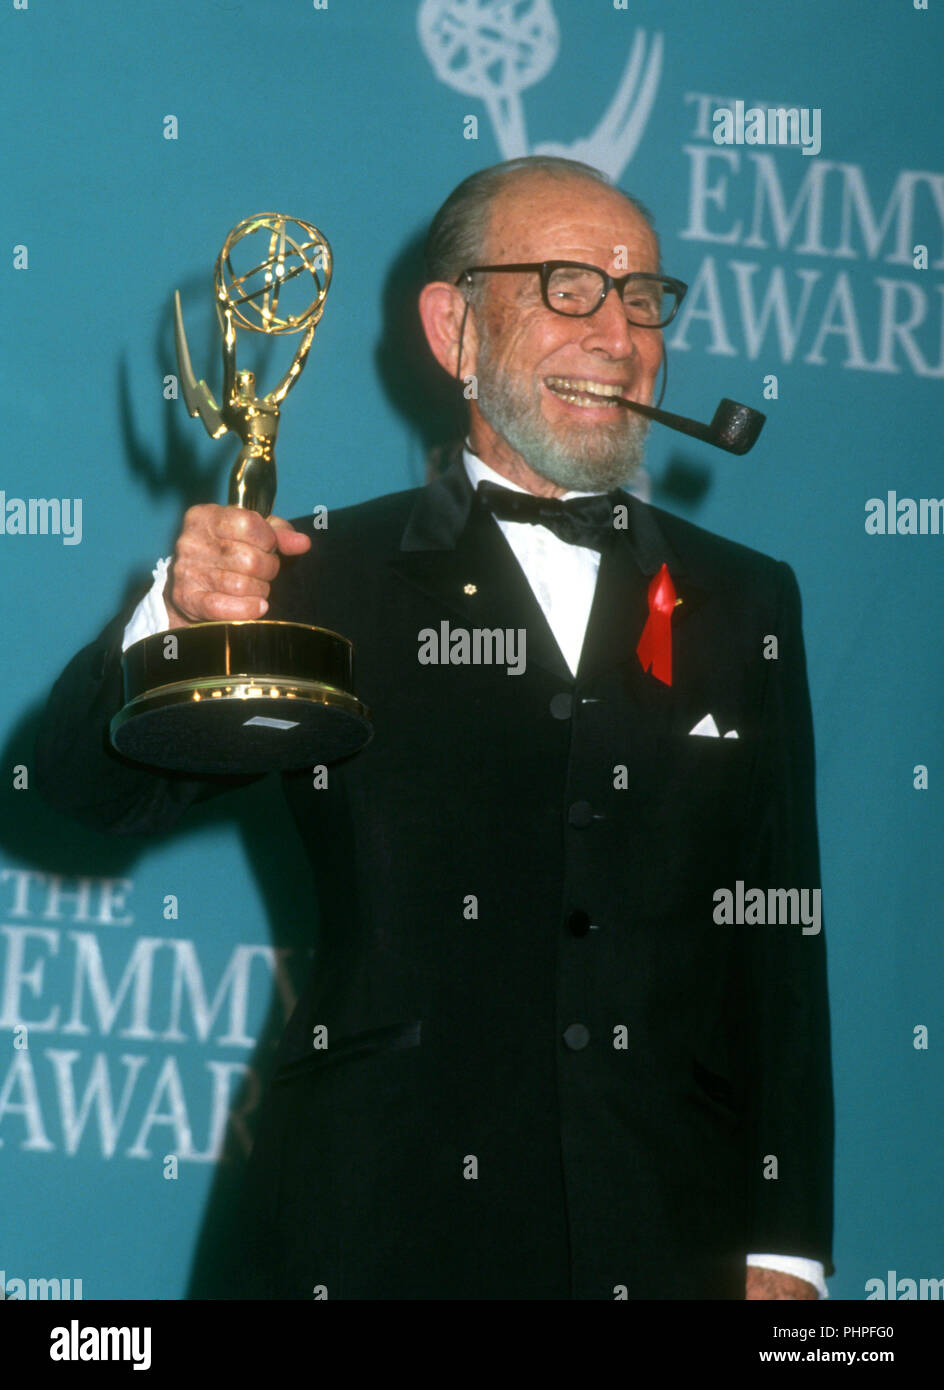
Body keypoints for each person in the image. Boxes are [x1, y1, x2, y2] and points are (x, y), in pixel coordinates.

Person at [34, 156, 833, 1300]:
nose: (618, 335)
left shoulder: (748, 598)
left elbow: (777, 943)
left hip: (668, 1236)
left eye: (641, 296)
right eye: (567, 288)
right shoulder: (316, 572)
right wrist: (169, 615)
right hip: (370, 1235)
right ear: (453, 328)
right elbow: (90, 791)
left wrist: (784, 1246)